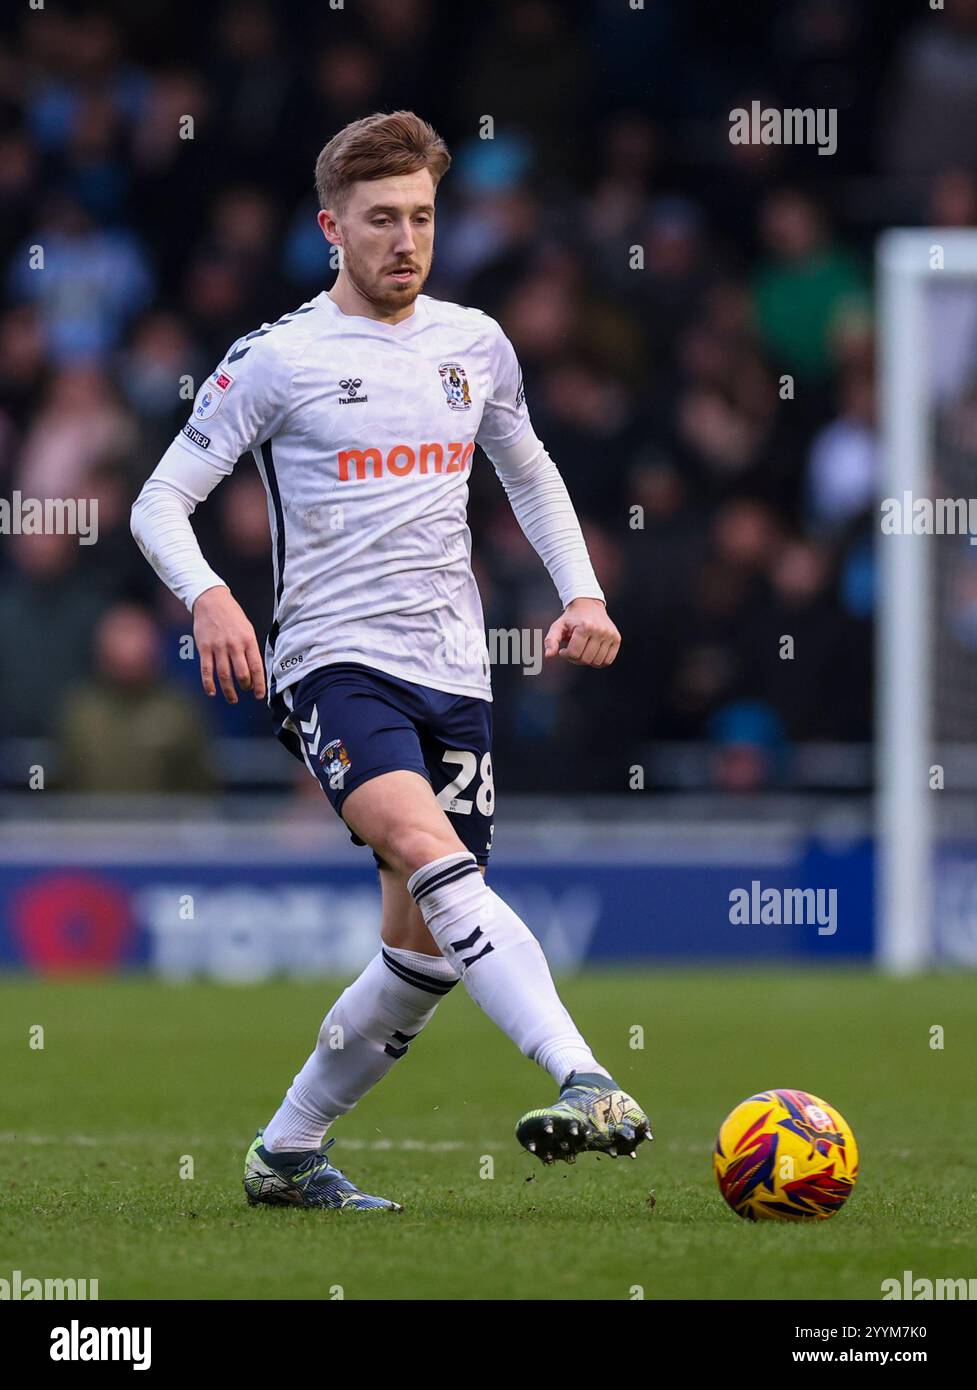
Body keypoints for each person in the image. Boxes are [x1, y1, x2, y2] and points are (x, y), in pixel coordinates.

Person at [131, 111, 650, 1212]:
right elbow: (158, 502)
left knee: (423, 956)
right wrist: (212, 597)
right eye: (379, 220)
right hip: (332, 662)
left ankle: (285, 1154)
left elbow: (528, 467)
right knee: (423, 843)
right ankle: (584, 1074)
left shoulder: (474, 343)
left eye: (420, 216)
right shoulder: (278, 358)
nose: (405, 240)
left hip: (455, 672)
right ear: (332, 227)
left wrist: (583, 591)